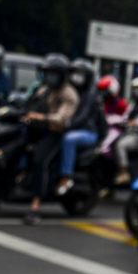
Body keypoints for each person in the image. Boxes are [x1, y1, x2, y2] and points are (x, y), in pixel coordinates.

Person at [22, 53, 78, 225]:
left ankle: (35, 206)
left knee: (41, 162)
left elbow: (62, 119)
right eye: (48, 73)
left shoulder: (69, 94)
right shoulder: (43, 89)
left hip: (54, 133)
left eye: (53, 73)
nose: (50, 77)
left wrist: (39, 117)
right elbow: (28, 104)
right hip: (37, 129)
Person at [56, 59, 104, 196]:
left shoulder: (91, 94)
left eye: (80, 74)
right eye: (74, 73)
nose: (75, 77)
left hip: (87, 132)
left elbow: (83, 116)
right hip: (71, 128)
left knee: (69, 139)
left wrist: (67, 125)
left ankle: (66, 176)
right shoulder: (69, 90)